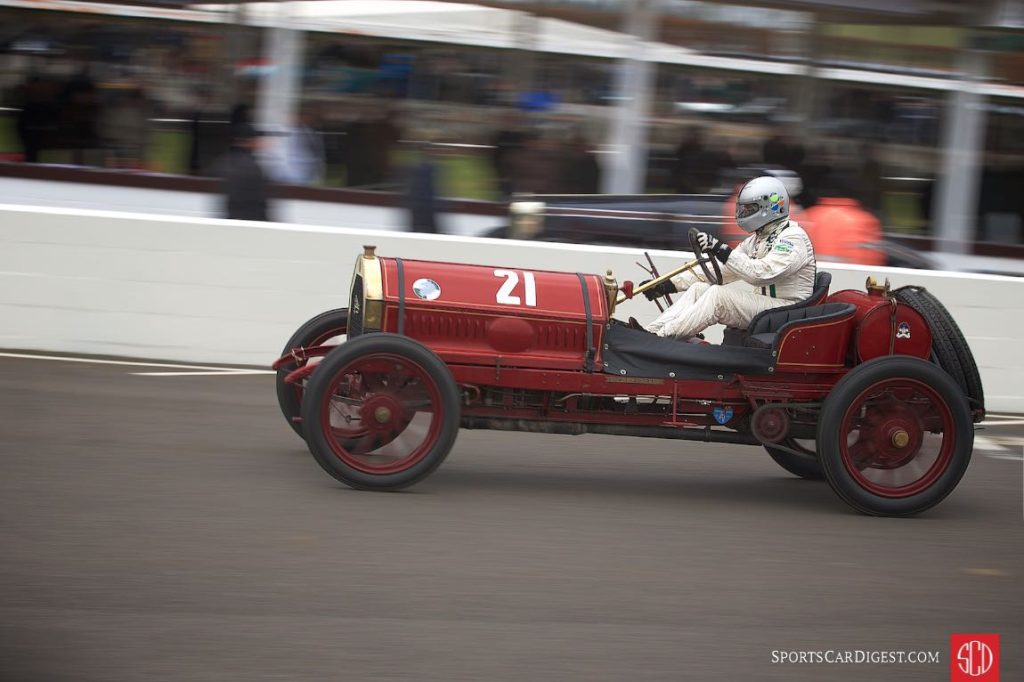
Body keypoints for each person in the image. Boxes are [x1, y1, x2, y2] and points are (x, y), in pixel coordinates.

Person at [642, 176, 816, 340]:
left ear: (768, 207)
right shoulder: (758, 238)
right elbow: (723, 269)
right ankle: (651, 332)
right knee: (699, 289)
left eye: (749, 208)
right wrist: (669, 284)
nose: (743, 212)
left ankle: (661, 337)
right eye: (743, 208)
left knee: (718, 296)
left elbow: (762, 274)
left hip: (788, 311)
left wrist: (721, 249)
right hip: (769, 308)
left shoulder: (793, 238)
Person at [219, 123, 272, 221]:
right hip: (247, 223)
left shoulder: (225, 162)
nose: (260, 143)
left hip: (232, 222)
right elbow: (256, 204)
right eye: (256, 139)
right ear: (249, 142)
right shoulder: (250, 167)